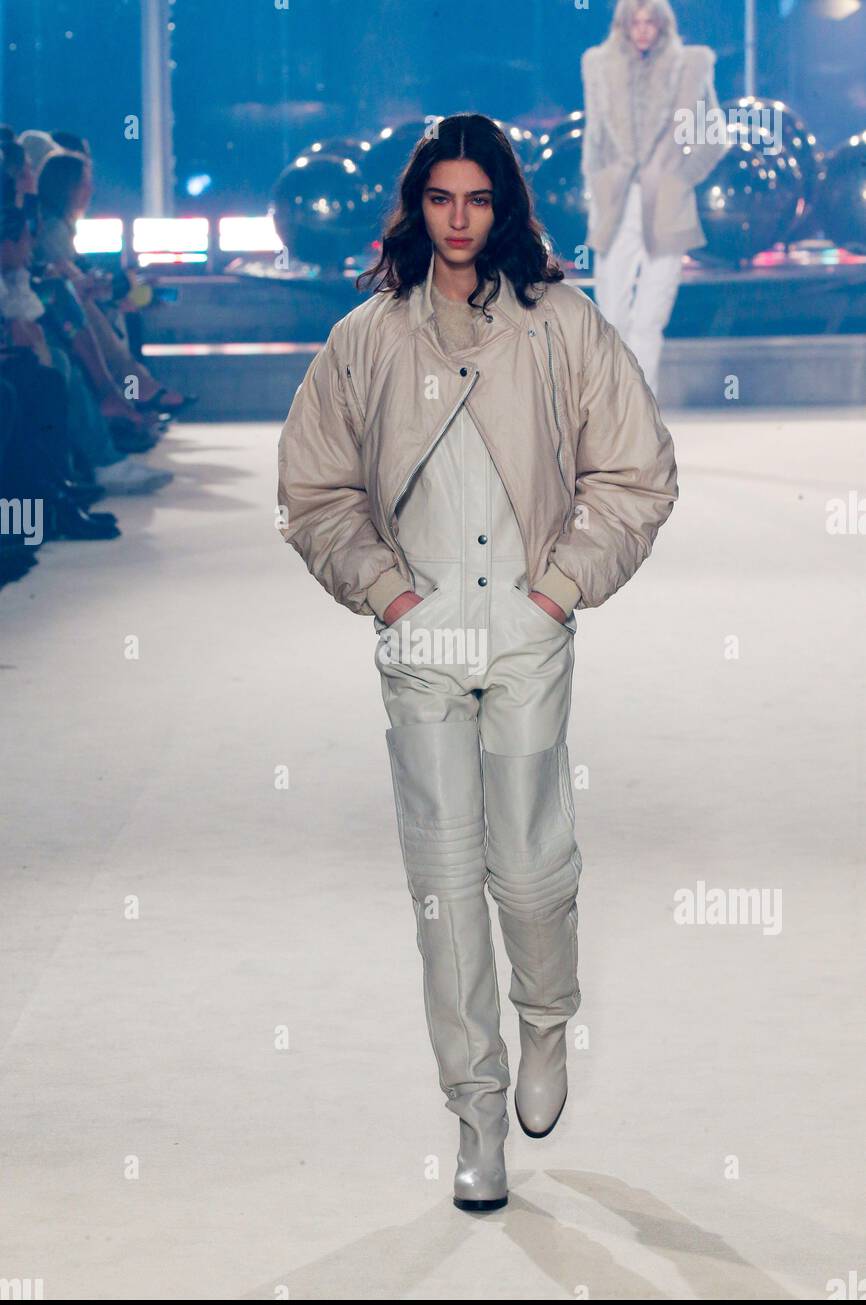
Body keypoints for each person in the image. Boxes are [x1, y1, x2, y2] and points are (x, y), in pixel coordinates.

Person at [277, 113, 678, 1212]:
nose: (459, 220)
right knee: (443, 890)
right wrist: (389, 594)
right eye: (441, 199)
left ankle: (545, 1021)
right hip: (421, 634)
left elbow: (636, 471)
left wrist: (558, 590)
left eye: (479, 199)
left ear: (503, 208)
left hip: (524, 625)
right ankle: (474, 1112)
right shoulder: (365, 335)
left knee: (533, 865)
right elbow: (312, 489)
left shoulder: (560, 326)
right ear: (418, 207)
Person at [581, 0, 728, 396]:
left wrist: (680, 177)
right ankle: (617, 410)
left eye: (650, 22)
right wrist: (596, 190)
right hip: (615, 203)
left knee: (651, 314)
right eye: (635, 21)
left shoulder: (691, 65)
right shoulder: (598, 64)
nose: (643, 29)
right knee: (611, 314)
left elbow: (714, 136)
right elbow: (595, 137)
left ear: (663, 25)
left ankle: (643, 412)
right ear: (624, 25)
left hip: (666, 204)